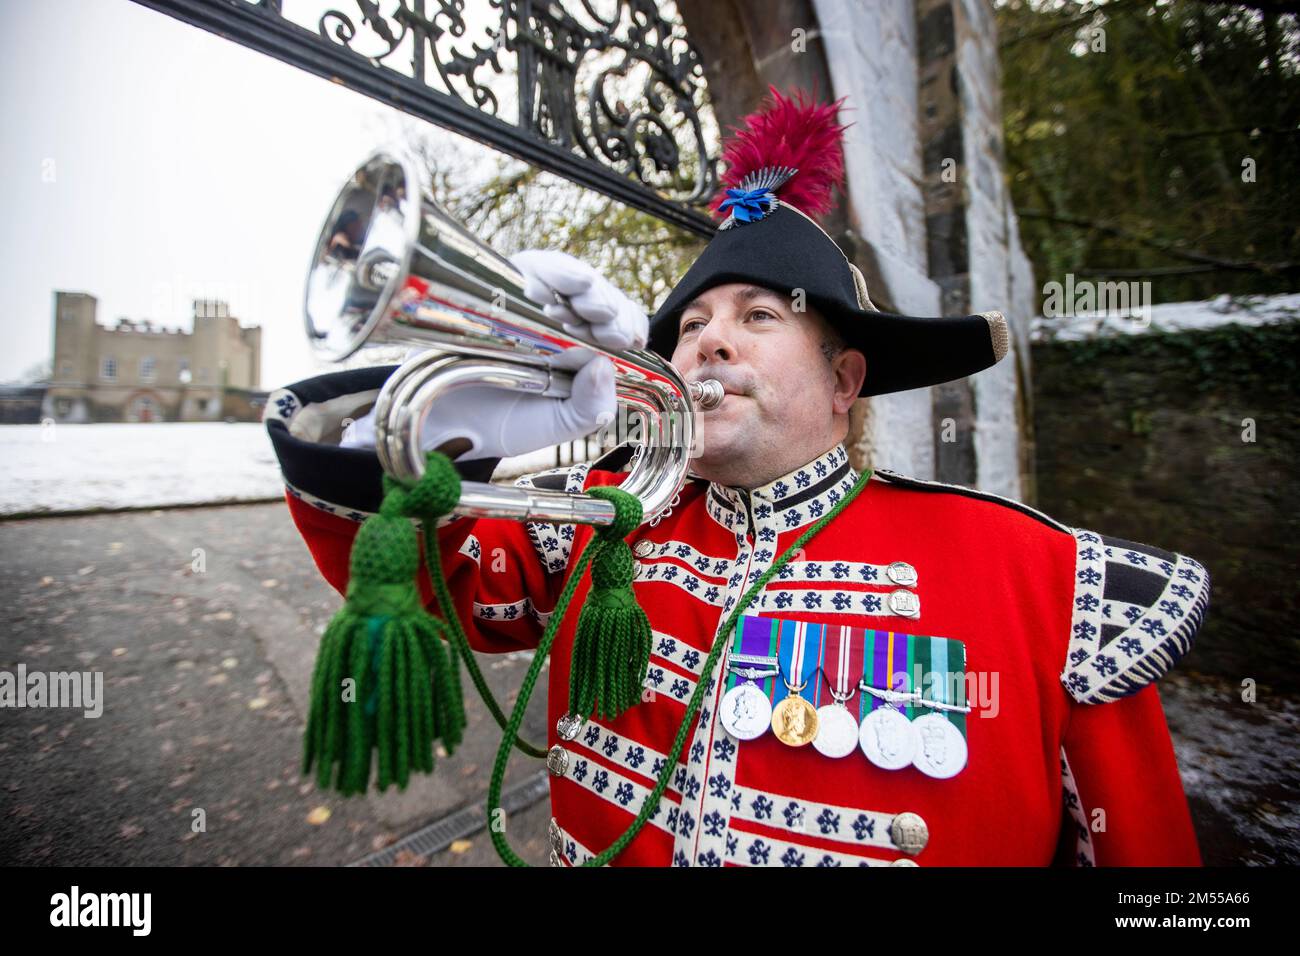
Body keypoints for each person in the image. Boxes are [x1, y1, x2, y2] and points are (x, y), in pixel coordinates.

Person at [265, 86, 1208, 866]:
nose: (708, 337)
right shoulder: (604, 522)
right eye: (690, 324)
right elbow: (418, 584)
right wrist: (443, 433)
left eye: (759, 315)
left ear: (845, 381)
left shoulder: (1035, 574)